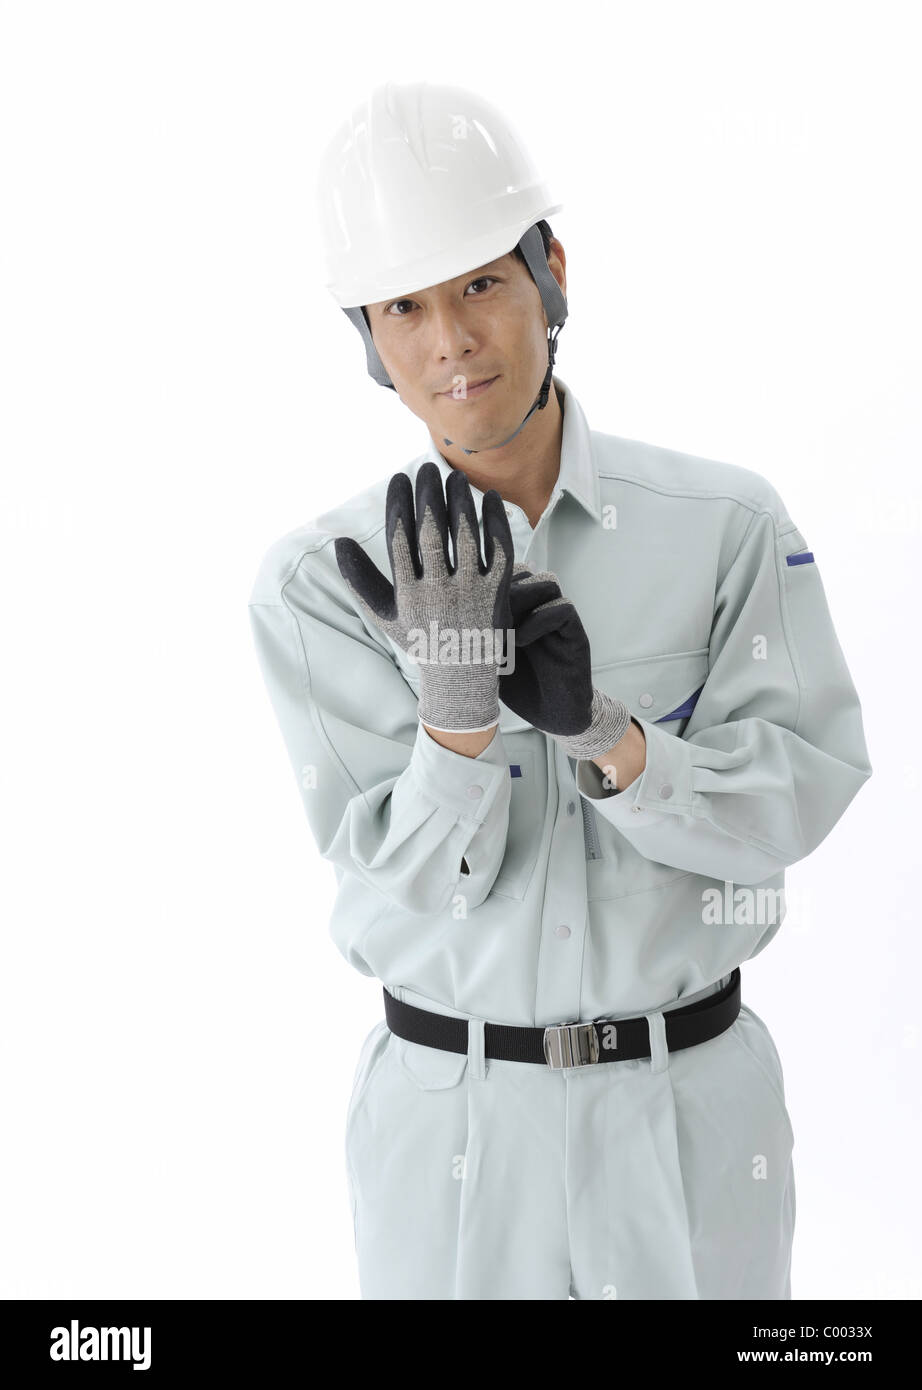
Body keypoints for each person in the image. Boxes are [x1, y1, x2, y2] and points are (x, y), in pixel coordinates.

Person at [247, 80, 872, 1300]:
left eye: (480, 280)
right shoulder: (323, 587)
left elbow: (795, 805)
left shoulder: (725, 529)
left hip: (690, 1114)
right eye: (402, 306)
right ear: (367, 342)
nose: (449, 339)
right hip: (454, 1130)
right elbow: (408, 881)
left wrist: (610, 739)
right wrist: (455, 726)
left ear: (551, 270)